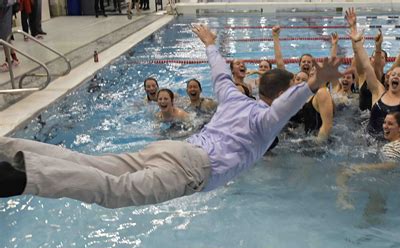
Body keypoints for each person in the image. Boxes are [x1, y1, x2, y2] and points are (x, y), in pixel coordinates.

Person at [0, 24, 343, 208]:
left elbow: (220, 73)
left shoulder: (234, 99)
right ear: (281, 95)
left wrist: (210, 43)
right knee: (111, 191)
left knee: (90, 163)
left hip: (176, 150)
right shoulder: (265, 122)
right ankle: (18, 179)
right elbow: (285, 107)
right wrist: (314, 84)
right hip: (194, 168)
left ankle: (7, 147)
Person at [336, 112, 400, 210]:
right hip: (396, 179)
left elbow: (392, 164)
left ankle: (342, 199)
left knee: (343, 170)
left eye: (390, 124)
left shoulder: (389, 148)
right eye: (384, 122)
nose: (385, 126)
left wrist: (363, 167)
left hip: (384, 177)